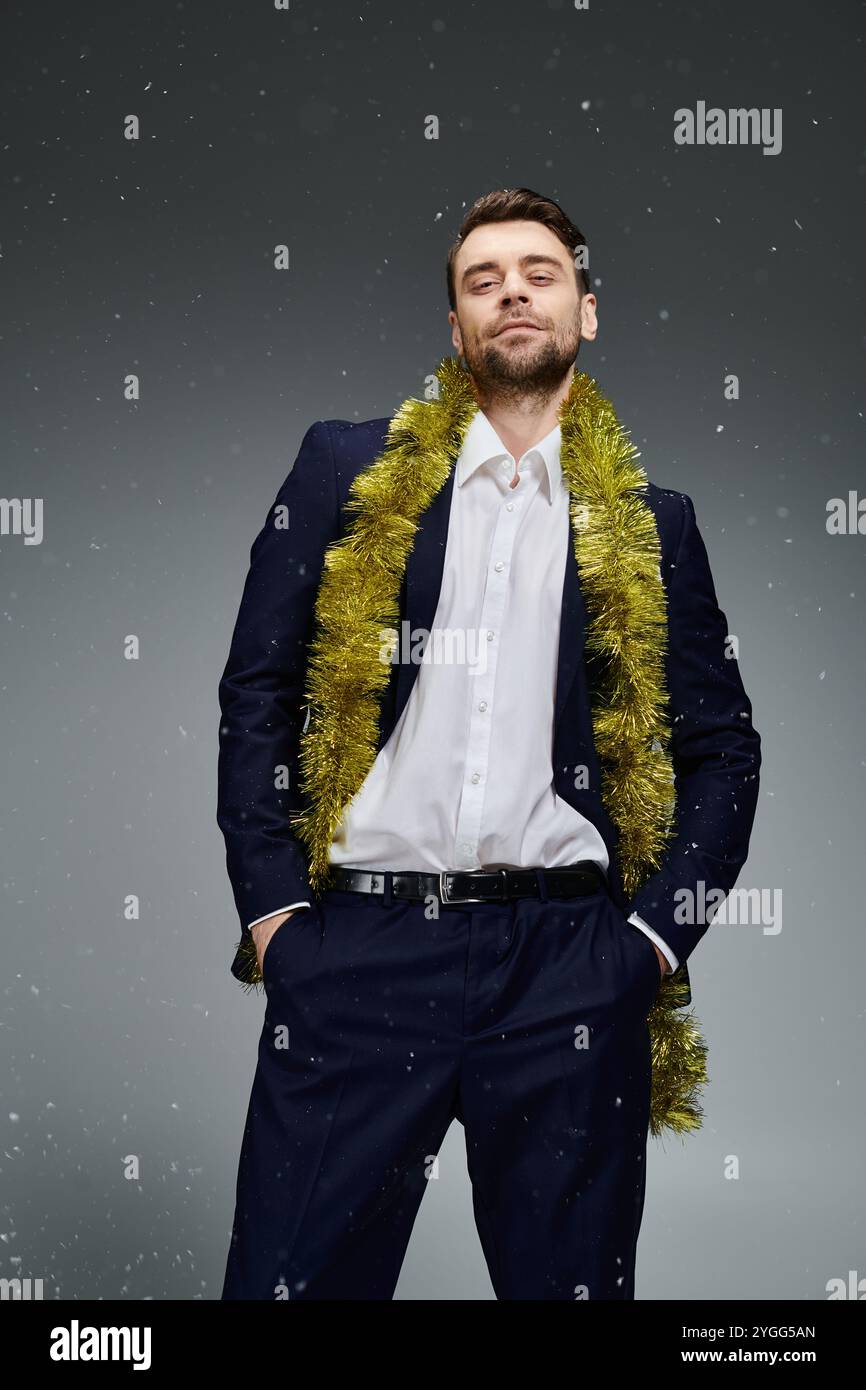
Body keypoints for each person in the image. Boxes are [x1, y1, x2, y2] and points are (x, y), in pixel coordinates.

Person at [217, 187, 761, 1300]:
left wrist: (649, 946)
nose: (512, 290)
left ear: (584, 312)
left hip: (565, 966)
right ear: (456, 328)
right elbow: (259, 692)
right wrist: (276, 917)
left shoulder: (656, 524)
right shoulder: (342, 468)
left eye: (539, 272)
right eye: (482, 280)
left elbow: (723, 749)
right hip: (358, 952)